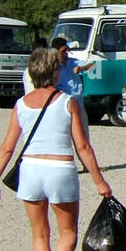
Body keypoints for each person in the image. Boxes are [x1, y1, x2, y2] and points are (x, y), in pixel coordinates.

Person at [0, 47, 111, 251]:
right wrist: (100, 182)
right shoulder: (68, 102)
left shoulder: (21, 104)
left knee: (39, 234)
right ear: (55, 73)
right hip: (60, 169)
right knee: (68, 231)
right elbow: (83, 147)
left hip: (31, 170)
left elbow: (7, 147)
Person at [51, 36, 95, 171]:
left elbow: (92, 65)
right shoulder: (52, 67)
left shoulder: (72, 62)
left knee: (83, 134)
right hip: (62, 105)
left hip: (78, 102)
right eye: (63, 51)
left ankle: (88, 165)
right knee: (63, 136)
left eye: (67, 50)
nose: (66, 53)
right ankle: (63, 165)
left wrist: (81, 68)